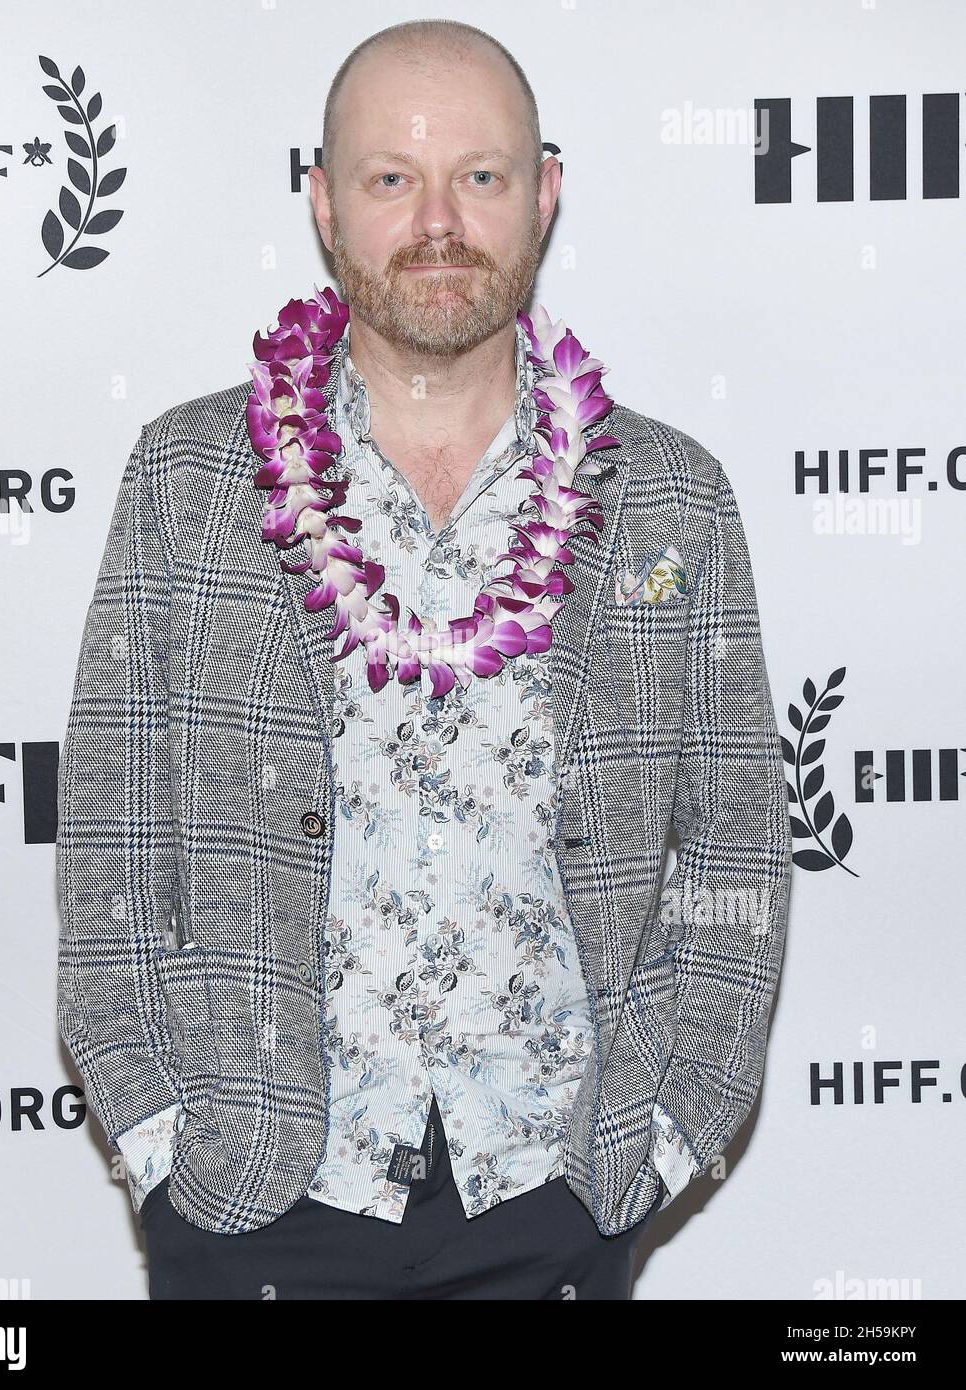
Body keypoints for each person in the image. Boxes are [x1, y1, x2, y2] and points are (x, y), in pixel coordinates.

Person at [56, 18, 792, 1301]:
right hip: (253, 1192)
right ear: (324, 205)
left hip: (555, 1191)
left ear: (544, 193)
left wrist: (670, 1123)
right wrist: (160, 1131)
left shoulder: (671, 497)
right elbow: (111, 841)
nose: (437, 220)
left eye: (482, 176)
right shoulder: (187, 480)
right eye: (391, 178)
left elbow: (733, 849)